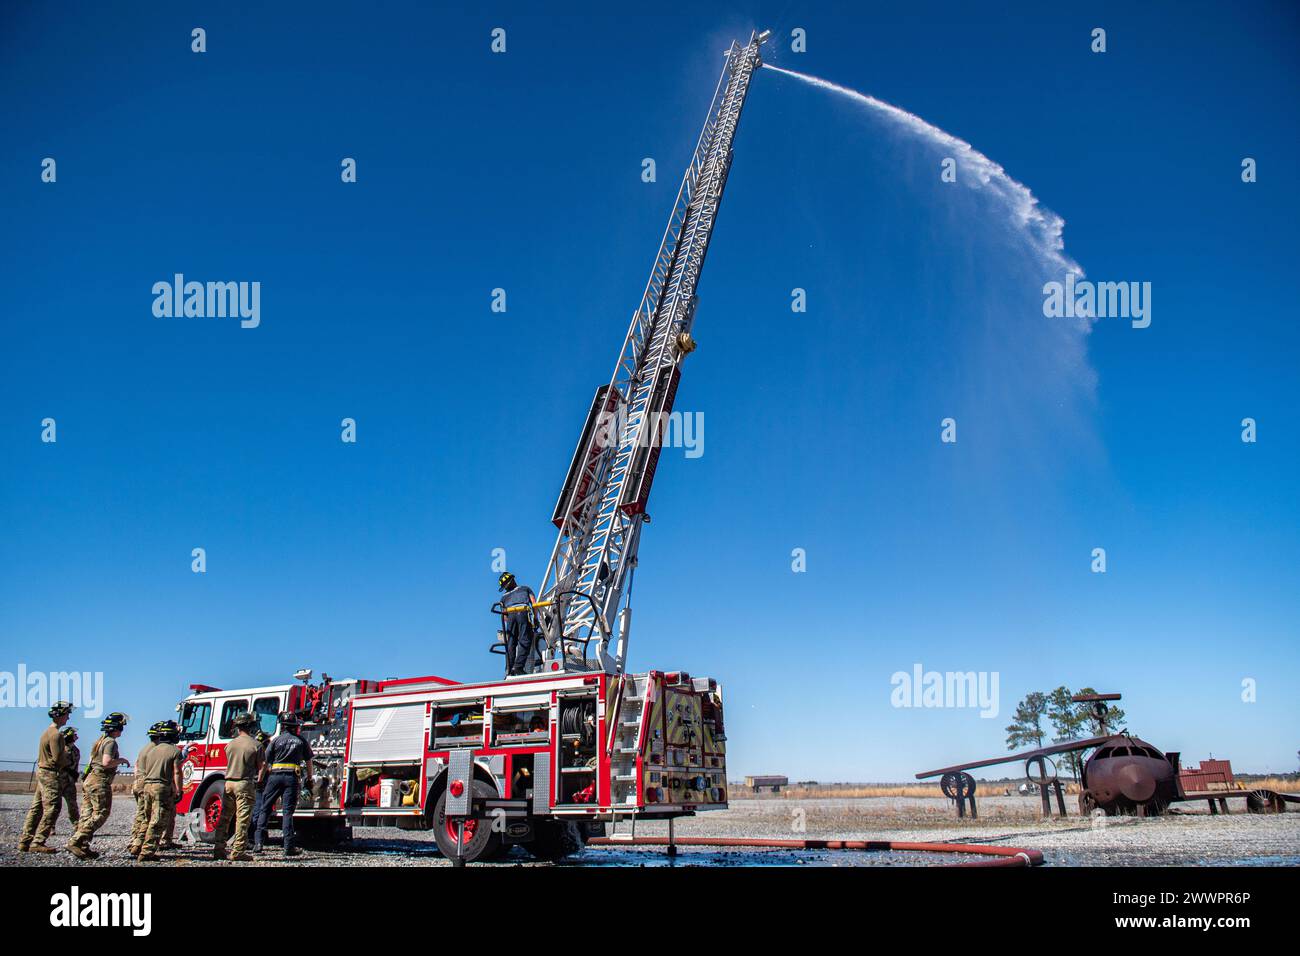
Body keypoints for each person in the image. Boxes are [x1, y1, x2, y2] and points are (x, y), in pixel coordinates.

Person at [66, 712, 130, 859]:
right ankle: (76, 840)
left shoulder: (99, 741)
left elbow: (91, 762)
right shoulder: (111, 743)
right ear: (117, 727)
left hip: (90, 780)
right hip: (99, 781)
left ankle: (83, 846)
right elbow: (106, 762)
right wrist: (121, 760)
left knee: (86, 815)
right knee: (101, 813)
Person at [18, 700, 74, 854]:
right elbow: (58, 759)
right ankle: (38, 841)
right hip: (50, 773)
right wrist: (67, 760)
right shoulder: (56, 735)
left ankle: (25, 840)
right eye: (67, 714)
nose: (68, 718)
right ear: (60, 715)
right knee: (53, 807)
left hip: (42, 772)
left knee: (36, 808)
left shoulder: (46, 733)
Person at [254, 714, 313, 857]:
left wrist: (260, 781)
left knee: (265, 809)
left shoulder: (275, 741)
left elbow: (265, 763)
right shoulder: (300, 741)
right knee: (287, 812)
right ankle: (288, 847)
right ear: (294, 727)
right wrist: (309, 779)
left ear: (283, 726)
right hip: (292, 778)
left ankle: (258, 844)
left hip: (274, 777)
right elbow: (309, 761)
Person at [211, 713, 263, 861]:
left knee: (224, 818)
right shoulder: (256, 745)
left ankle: (218, 849)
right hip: (244, 784)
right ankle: (238, 851)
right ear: (250, 726)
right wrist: (259, 780)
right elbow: (262, 765)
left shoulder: (230, 745)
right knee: (242, 819)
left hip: (228, 783)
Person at [135, 720, 183, 862]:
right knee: (158, 821)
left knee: (146, 818)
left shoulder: (152, 750)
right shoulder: (175, 751)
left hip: (147, 786)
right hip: (161, 788)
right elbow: (177, 772)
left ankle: (137, 844)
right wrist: (179, 790)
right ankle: (147, 852)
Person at [126, 722, 162, 856]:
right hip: (146, 783)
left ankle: (134, 841)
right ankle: (137, 843)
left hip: (138, 782)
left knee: (140, 814)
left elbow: (136, 766)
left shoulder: (144, 748)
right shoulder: (155, 750)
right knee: (146, 815)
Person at [498, 571, 540, 676]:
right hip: (523, 612)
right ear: (513, 579)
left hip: (510, 616)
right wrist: (535, 618)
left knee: (511, 643)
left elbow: (504, 617)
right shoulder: (525, 589)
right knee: (525, 640)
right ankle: (518, 667)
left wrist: (512, 625)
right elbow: (534, 603)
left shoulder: (503, 597)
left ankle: (509, 669)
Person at [248, 730, 270, 851]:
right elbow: (263, 767)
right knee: (258, 812)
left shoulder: (254, 750)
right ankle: (252, 839)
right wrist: (260, 780)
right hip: (259, 785)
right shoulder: (262, 754)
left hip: (255, 784)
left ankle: (257, 837)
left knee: (257, 811)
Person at [56, 726, 82, 829]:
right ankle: (50, 826)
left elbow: (75, 764)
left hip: (70, 783)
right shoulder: (60, 749)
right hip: (59, 781)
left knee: (73, 806)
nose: (76, 736)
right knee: (55, 806)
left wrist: (75, 774)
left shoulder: (75, 750)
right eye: (74, 735)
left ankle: (77, 825)